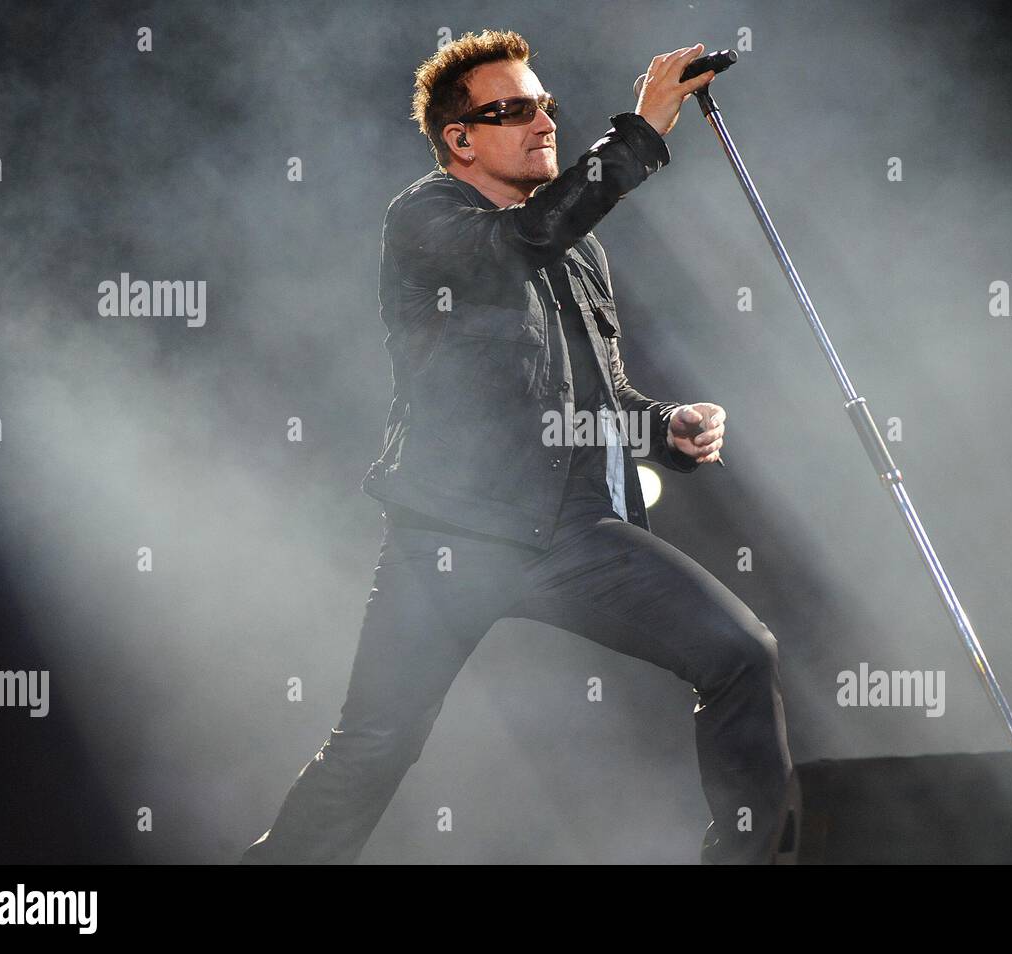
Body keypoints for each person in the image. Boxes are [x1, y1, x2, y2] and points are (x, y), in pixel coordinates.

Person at [241, 30, 797, 865]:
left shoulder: (579, 250)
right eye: (513, 111)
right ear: (459, 140)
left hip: (574, 534)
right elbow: (523, 241)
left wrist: (664, 427)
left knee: (740, 652)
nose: (542, 122)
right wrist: (639, 129)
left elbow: (594, 393)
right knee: (375, 747)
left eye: (545, 105)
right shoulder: (428, 218)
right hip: (453, 536)